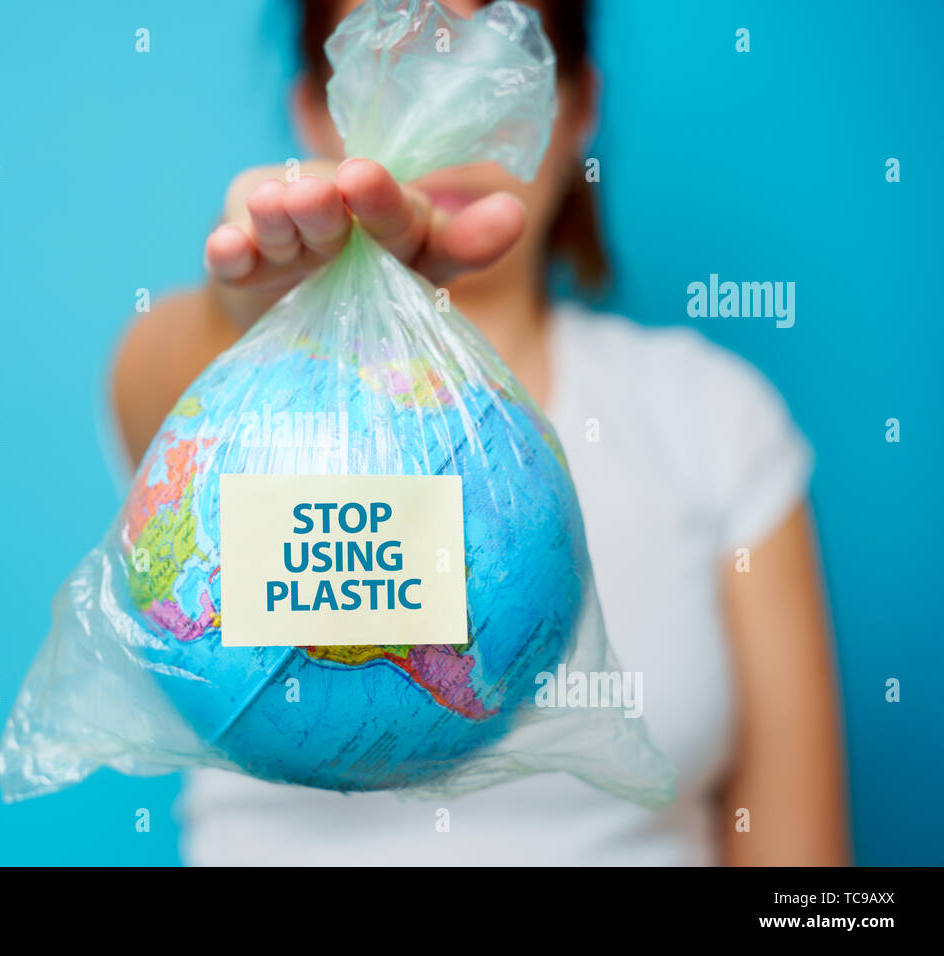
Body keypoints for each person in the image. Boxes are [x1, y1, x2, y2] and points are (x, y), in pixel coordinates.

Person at [109, 0, 849, 865]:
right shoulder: (231, 395)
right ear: (316, 113)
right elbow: (161, 385)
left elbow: (807, 878)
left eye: (497, 68)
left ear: (578, 107)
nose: (450, 111)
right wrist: (249, 304)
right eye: (403, 60)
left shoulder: (713, 414)